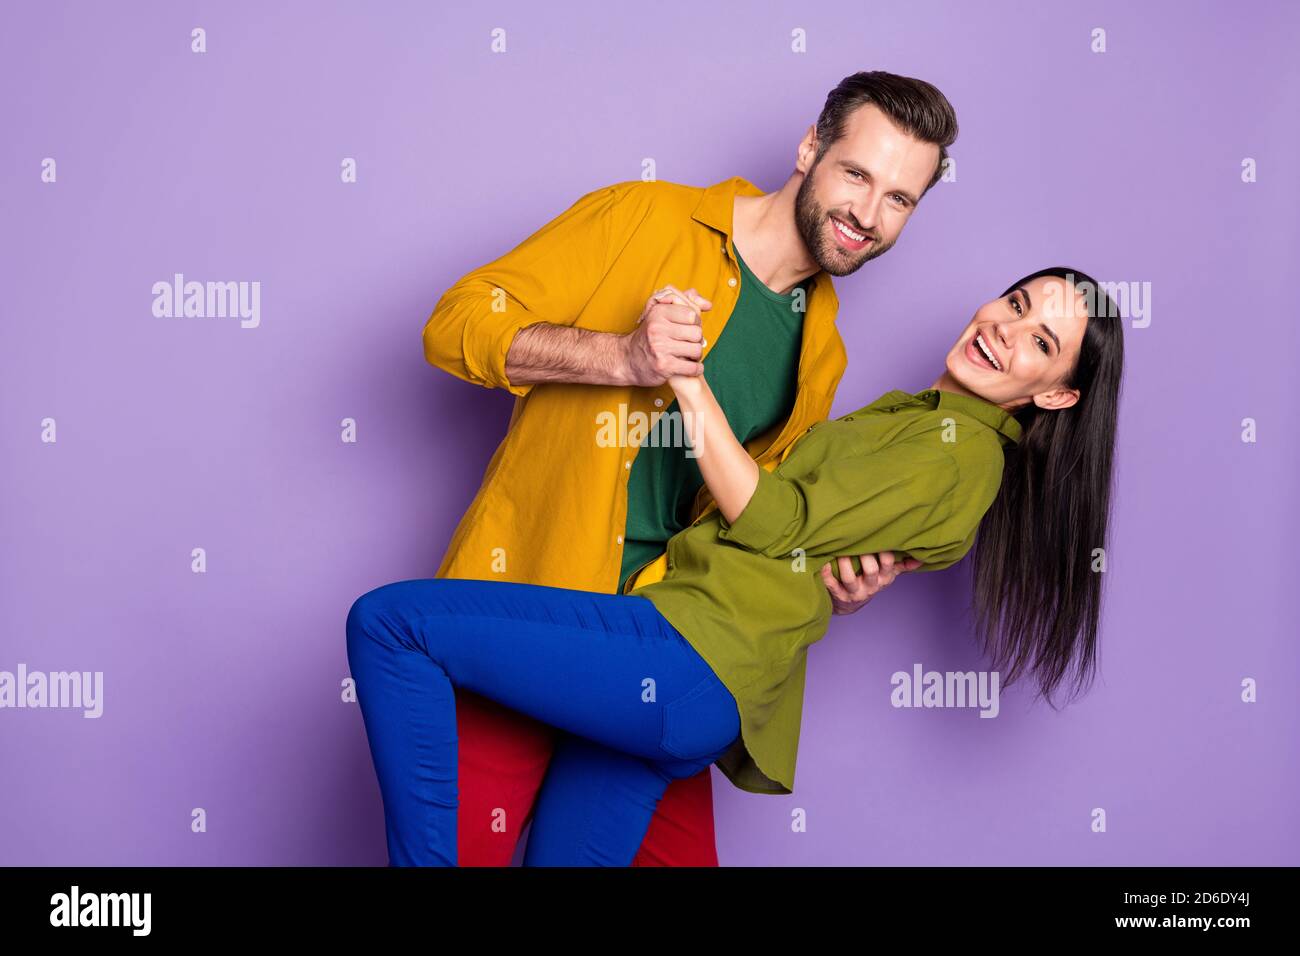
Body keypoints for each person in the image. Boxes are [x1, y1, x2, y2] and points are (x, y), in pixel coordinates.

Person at [347, 267, 1125, 865]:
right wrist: (832, 582)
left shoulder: (957, 456)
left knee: (393, 626)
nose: (1006, 329)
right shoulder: (917, 421)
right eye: (1018, 304)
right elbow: (803, 542)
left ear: (1056, 396)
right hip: (698, 692)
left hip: (688, 652)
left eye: (1042, 343)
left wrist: (682, 376)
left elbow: (770, 518)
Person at [420, 71, 960, 865]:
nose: (867, 216)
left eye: (899, 200)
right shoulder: (645, 216)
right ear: (810, 148)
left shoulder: (823, 354)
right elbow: (453, 323)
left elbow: (754, 528)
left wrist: (826, 580)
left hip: (658, 649)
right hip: (525, 608)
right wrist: (618, 356)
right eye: (856, 174)